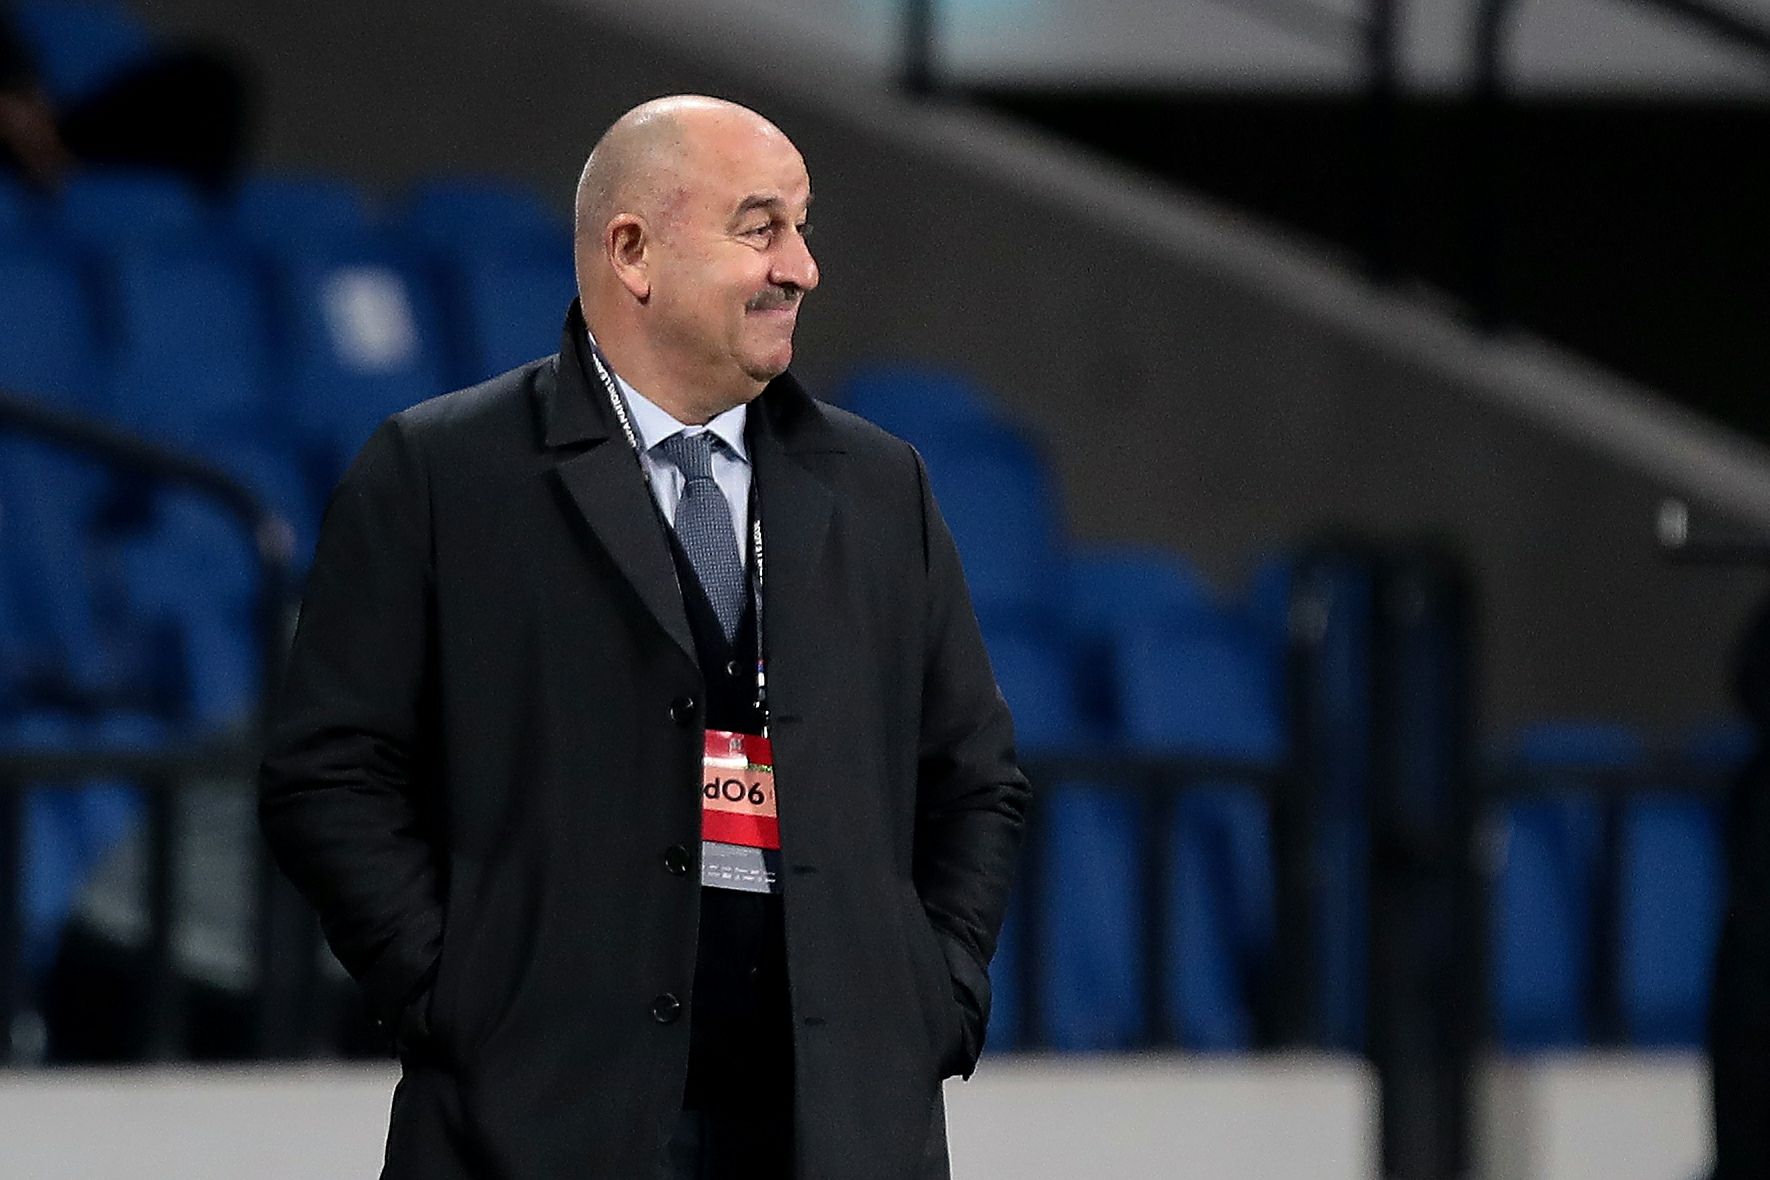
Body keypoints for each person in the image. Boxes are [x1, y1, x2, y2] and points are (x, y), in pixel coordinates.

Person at [259, 94, 1030, 1179]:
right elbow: (328, 773)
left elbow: (976, 778)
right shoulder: (440, 475)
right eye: (760, 228)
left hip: (836, 1127)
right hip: (536, 1125)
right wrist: (455, 994)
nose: (802, 268)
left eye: (802, 228)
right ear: (633, 252)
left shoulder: (879, 485)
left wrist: (933, 998)